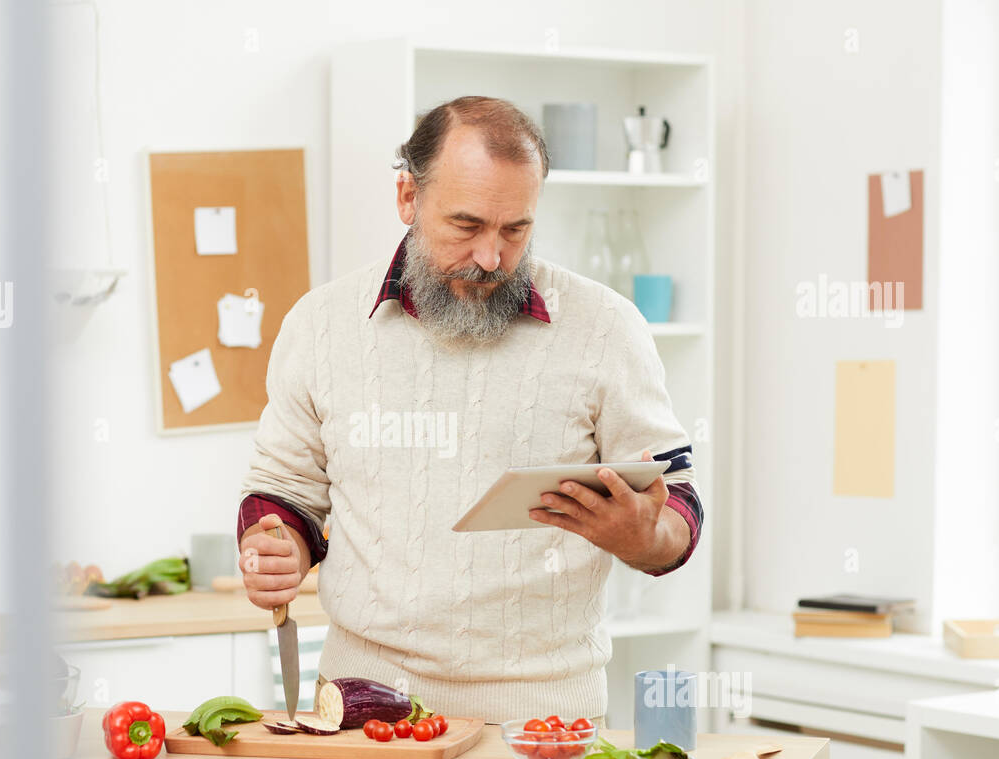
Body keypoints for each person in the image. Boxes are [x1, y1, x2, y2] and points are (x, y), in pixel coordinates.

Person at [235, 95, 702, 723]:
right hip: (362, 711)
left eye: (516, 231)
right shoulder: (319, 326)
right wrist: (278, 547)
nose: (491, 258)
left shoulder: (607, 328)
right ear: (407, 197)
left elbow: (677, 498)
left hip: (546, 721)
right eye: (466, 226)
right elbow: (282, 492)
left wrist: (648, 537)